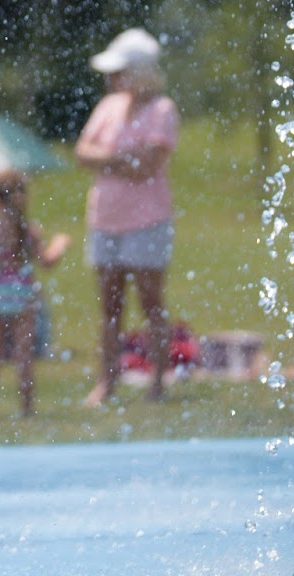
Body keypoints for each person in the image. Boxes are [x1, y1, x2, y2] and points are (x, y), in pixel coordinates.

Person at [75, 28, 179, 407]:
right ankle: (107, 379)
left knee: (151, 302)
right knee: (110, 306)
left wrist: (109, 160)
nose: (113, 79)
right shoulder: (109, 107)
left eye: (120, 72)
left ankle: (157, 381)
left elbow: (148, 166)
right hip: (106, 219)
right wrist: (123, 159)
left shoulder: (162, 110)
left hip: (147, 219)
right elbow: (83, 153)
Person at [0, 169, 69, 418]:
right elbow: (46, 262)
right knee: (23, 358)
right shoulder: (28, 231)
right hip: (23, 301)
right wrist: (61, 243)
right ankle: (26, 408)